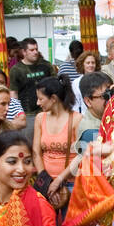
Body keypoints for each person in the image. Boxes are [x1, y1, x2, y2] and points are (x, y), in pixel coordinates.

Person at [32, 75, 80, 210]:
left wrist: (59, 179)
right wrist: (46, 182)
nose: (37, 103)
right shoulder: (40, 118)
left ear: (53, 99)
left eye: (41, 99)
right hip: (45, 184)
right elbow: (36, 152)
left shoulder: (76, 119)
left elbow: (81, 155)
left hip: (69, 184)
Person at [10, 38, 55, 115]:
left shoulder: (46, 65)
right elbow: (14, 93)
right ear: (24, 52)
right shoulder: (16, 70)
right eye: (32, 50)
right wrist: (16, 113)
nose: (35, 52)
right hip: (27, 113)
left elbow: (56, 86)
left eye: (36, 49)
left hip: (47, 111)